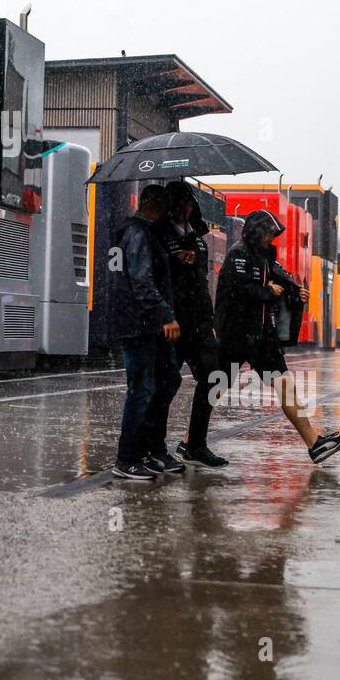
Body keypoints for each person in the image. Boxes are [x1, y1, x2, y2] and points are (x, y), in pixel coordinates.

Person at [214, 209, 340, 465]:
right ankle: (191, 441)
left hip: (261, 338)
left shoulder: (265, 256)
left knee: (285, 385)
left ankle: (314, 443)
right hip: (236, 335)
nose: (271, 238)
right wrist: (267, 291)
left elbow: (282, 279)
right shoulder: (237, 254)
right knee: (215, 387)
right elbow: (238, 292)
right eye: (268, 233)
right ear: (255, 232)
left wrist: (296, 292)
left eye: (273, 234)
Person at [108, 185, 183, 482]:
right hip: (139, 323)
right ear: (153, 203)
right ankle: (127, 458)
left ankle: (150, 449)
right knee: (141, 388)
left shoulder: (135, 232)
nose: (168, 210)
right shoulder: (138, 233)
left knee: (167, 379)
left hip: (141, 321)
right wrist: (165, 315)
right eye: (164, 204)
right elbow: (141, 281)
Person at [155, 181, 229, 469]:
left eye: (189, 204)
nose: (185, 209)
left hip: (199, 322)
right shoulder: (158, 234)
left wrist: (210, 321)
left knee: (214, 376)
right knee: (165, 384)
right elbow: (152, 275)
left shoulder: (198, 238)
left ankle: (195, 445)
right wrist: (173, 259)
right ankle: (155, 447)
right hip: (172, 321)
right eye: (181, 204)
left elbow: (203, 281)